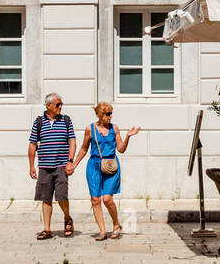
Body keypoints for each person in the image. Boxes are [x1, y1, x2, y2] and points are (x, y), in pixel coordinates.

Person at [70, 102, 140, 240]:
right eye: (108, 114)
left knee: (107, 199)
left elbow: (121, 149)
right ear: (100, 115)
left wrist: (128, 137)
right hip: (94, 165)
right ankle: (102, 231)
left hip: (111, 165)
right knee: (95, 199)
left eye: (111, 113)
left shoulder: (114, 128)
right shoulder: (90, 129)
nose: (111, 116)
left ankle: (116, 224)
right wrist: (74, 164)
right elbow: (84, 148)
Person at [28, 93, 76, 240]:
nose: (60, 107)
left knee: (61, 196)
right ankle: (47, 229)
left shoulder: (66, 120)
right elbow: (32, 144)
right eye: (57, 104)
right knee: (46, 198)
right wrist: (31, 166)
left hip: (61, 166)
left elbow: (72, 142)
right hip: (44, 167)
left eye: (61, 104)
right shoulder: (39, 122)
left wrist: (70, 161)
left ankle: (67, 219)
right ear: (48, 106)